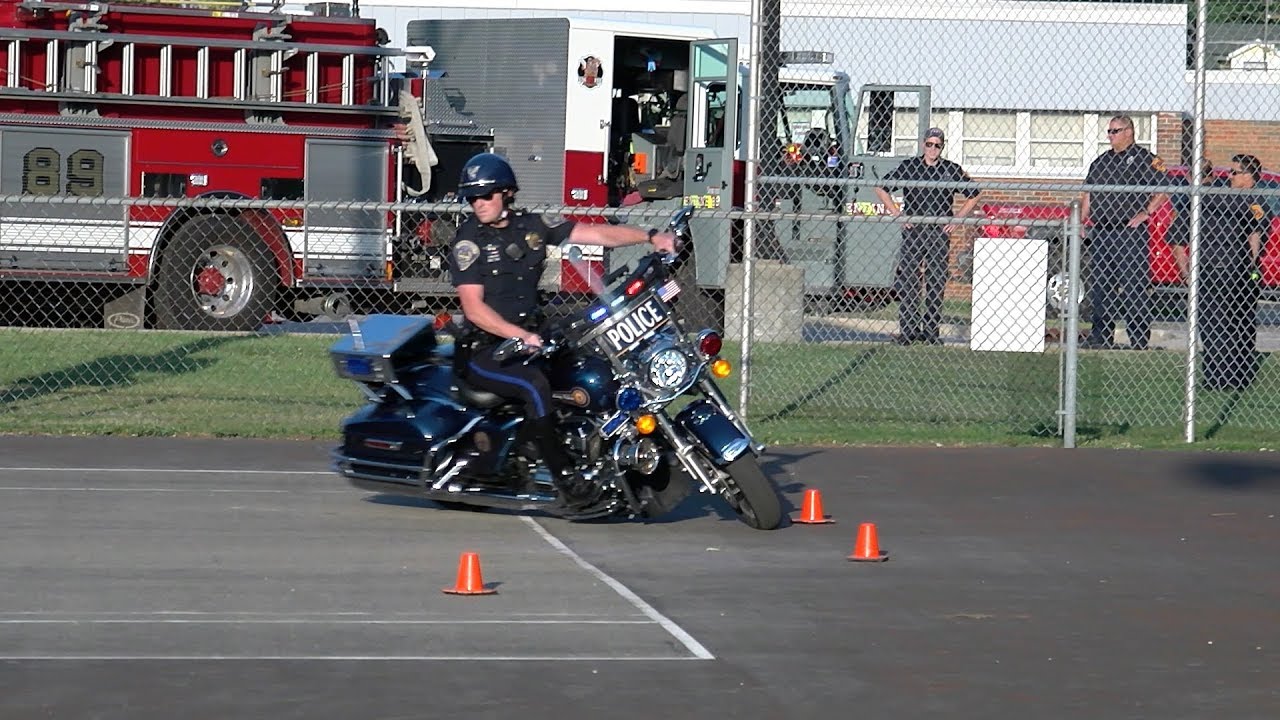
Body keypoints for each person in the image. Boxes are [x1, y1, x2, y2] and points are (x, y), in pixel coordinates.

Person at [447, 152, 677, 508]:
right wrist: (518, 336)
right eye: (472, 197)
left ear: (507, 193)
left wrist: (649, 237)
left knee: (592, 368)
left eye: (486, 195)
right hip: (485, 350)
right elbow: (474, 309)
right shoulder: (469, 241)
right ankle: (566, 480)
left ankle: (619, 451)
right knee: (535, 385)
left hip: (531, 336)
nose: (479, 203)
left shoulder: (534, 226)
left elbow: (597, 233)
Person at [874, 127, 981, 345]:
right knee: (910, 280)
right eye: (929, 144)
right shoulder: (910, 166)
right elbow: (881, 188)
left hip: (939, 232)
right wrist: (897, 214)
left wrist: (957, 218)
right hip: (913, 230)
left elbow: (974, 194)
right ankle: (908, 331)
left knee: (936, 280)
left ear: (942, 147)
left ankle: (931, 332)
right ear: (923, 144)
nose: (933, 149)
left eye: (937, 145)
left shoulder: (951, 170)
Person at [1081, 115, 1170, 350]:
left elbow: (1164, 187)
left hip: (1128, 233)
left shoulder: (1145, 160)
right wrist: (1082, 220)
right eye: (1109, 131)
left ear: (1129, 131)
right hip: (1101, 231)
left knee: (1134, 287)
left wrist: (1146, 212)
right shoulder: (1101, 162)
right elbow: (1088, 193)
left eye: (1115, 131)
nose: (1110, 136)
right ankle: (1100, 336)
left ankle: (1138, 339)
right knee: (1101, 286)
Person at [1197, 153, 1270, 390]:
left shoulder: (1255, 203)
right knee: (1210, 323)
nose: (1229, 176)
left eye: (1235, 172)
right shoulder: (1220, 194)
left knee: (1236, 324)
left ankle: (1235, 376)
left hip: (1237, 271)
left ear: (1249, 176)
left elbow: (1256, 235)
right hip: (1211, 268)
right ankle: (1214, 375)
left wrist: (1249, 266)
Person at [1166, 157, 1216, 283]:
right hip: (1234, 265)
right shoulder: (1230, 197)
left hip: (1203, 267)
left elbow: (1177, 241)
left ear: (1190, 177)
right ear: (1213, 176)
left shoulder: (1189, 205)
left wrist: (1186, 275)